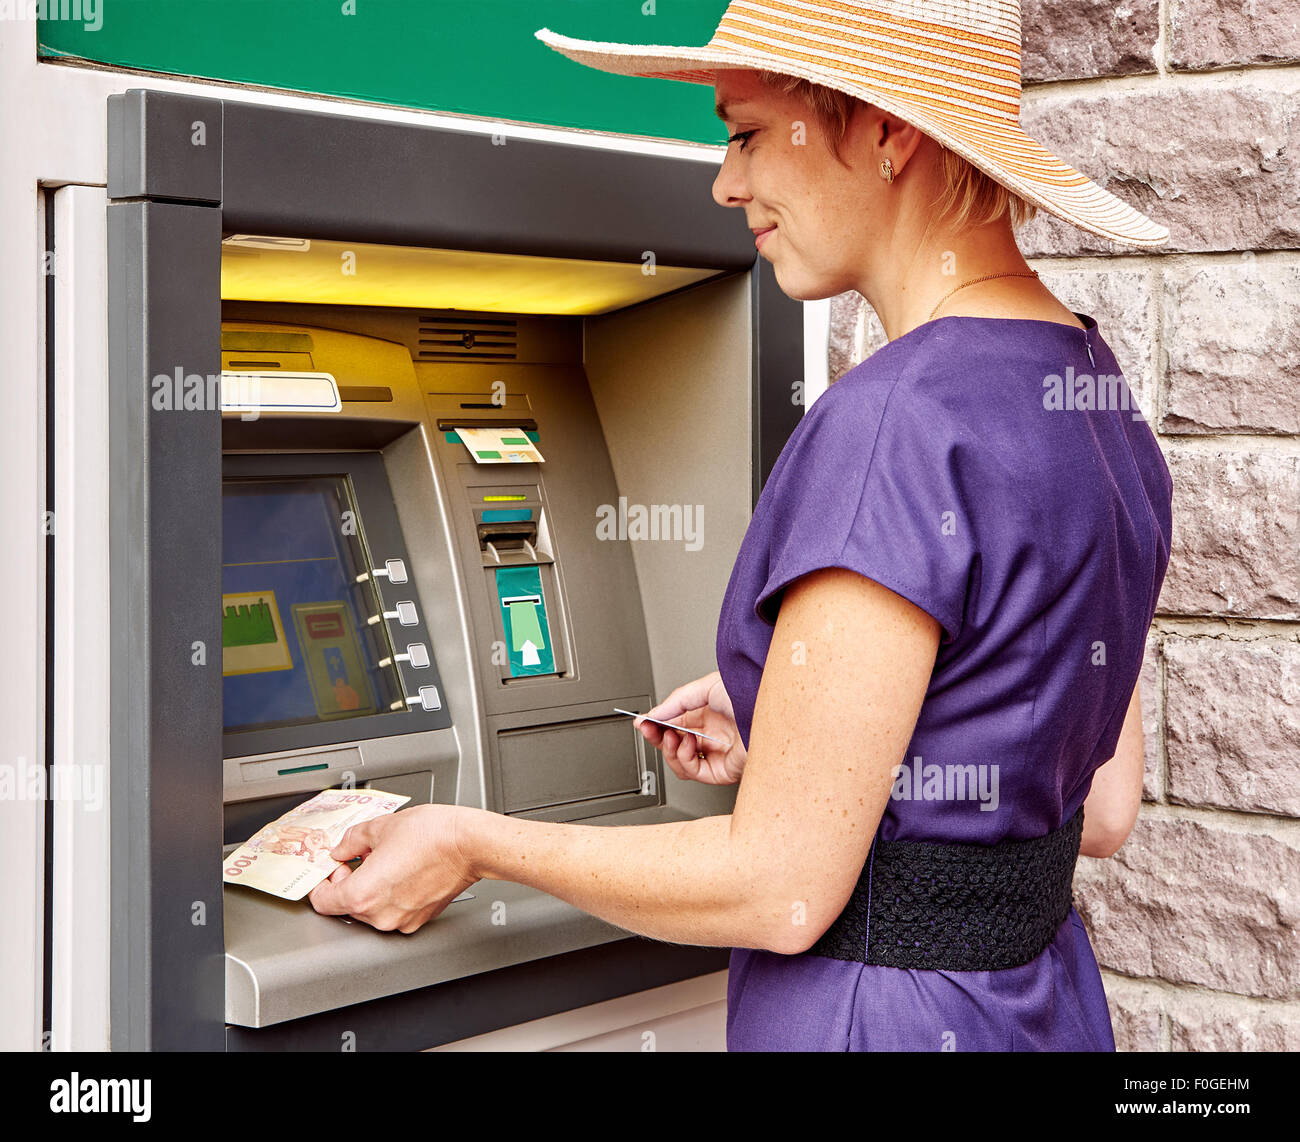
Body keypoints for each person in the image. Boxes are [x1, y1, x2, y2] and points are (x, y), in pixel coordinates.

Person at [307, 0, 1174, 1051]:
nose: (726, 182)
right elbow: (1104, 803)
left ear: (886, 131)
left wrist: (468, 838)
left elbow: (781, 888)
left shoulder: (894, 420)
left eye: (747, 132)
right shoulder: (1087, 388)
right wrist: (802, 720)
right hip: (1042, 1013)